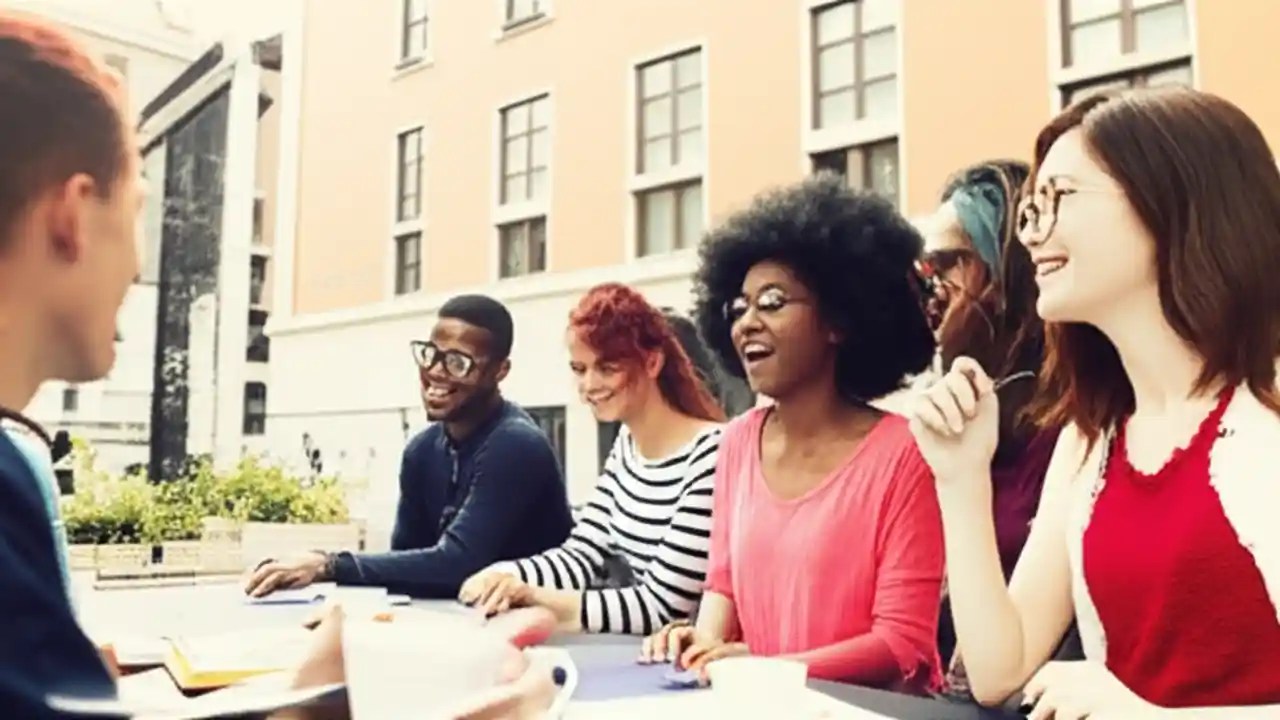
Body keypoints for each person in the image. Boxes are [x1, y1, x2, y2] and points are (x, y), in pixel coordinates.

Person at [908, 87, 1280, 717]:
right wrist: (961, 475)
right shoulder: (1093, 438)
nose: (1030, 234)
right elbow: (999, 668)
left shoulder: (1266, 417)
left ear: (1171, 203)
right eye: (1031, 207)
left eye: (1060, 198)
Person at [639, 175, 946, 692]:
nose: (747, 323)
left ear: (838, 322)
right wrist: (699, 650)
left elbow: (901, 644)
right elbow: (725, 582)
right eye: (738, 308)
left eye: (773, 302)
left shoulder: (906, 455)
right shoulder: (736, 441)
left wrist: (764, 667)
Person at [246, 294, 574, 599]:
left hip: (542, 639)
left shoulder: (516, 444)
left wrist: (326, 565)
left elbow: (459, 564)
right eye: (430, 354)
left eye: (458, 363)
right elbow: (405, 565)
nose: (434, 371)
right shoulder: (422, 451)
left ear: (499, 372)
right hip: (460, 629)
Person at [458, 283, 725, 635]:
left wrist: (534, 596)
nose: (589, 385)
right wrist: (504, 574)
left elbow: (663, 607)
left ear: (653, 361)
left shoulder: (712, 454)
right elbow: (583, 554)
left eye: (607, 367)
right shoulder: (627, 445)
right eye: (579, 369)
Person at [915, 161, 1063, 673]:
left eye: (943, 264)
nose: (926, 287)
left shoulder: (1069, 425)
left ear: (1003, 275)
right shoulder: (951, 411)